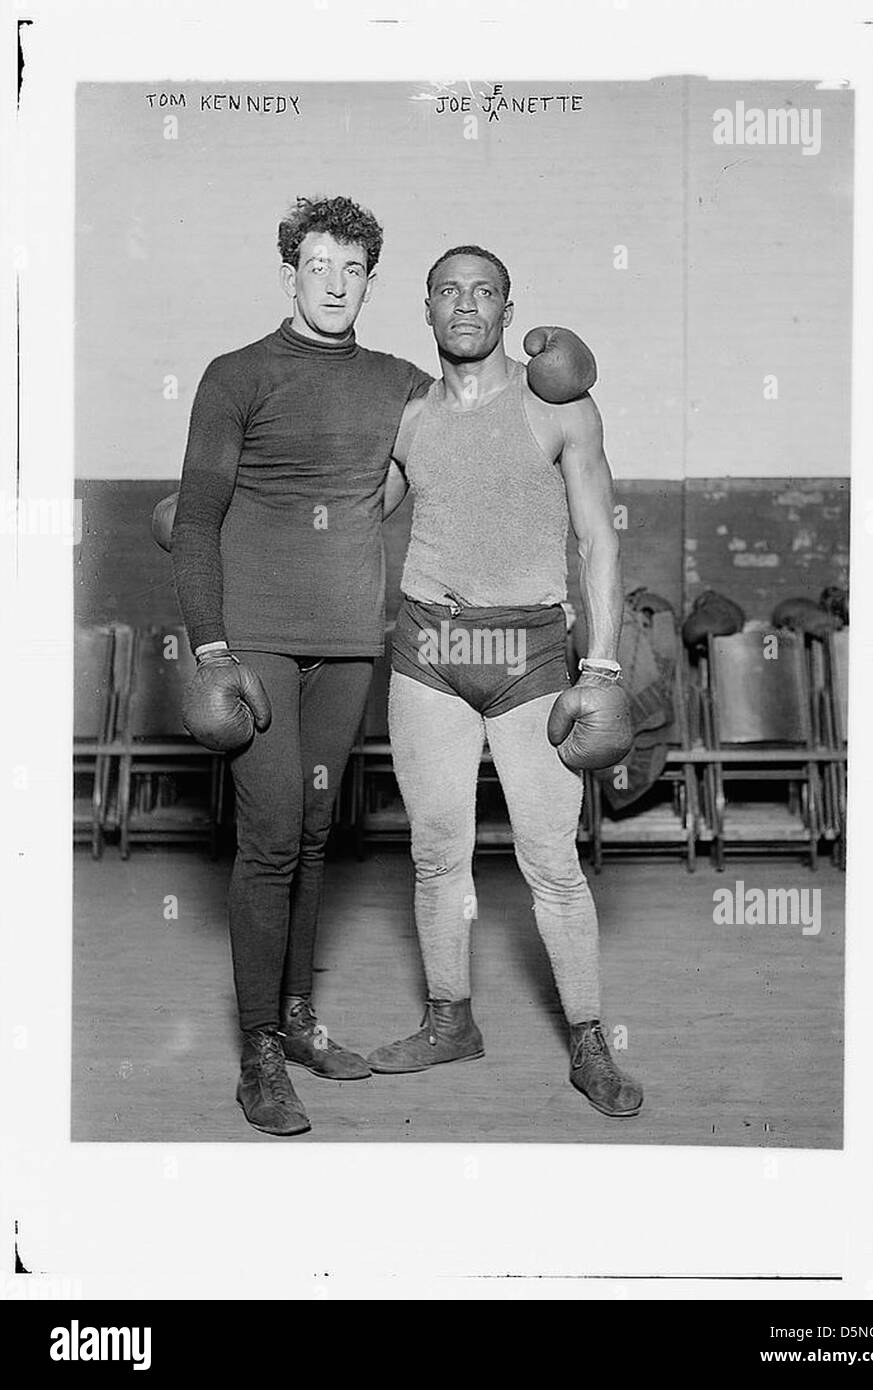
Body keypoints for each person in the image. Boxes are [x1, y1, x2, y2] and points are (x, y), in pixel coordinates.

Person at [166, 200, 597, 1136]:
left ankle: (296, 1017)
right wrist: (209, 646)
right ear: (289, 272)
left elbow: (487, 387)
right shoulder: (233, 375)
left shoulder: (400, 385)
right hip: (255, 641)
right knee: (272, 834)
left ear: (370, 281)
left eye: (351, 270)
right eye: (316, 266)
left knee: (316, 831)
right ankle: (257, 1054)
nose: (332, 284)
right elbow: (195, 518)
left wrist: (566, 363)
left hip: (355, 642)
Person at [367, 246, 644, 1118]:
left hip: (528, 657)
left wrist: (600, 667)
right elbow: (338, 513)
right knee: (435, 854)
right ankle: (450, 1019)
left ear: (507, 307)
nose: (465, 305)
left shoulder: (558, 406)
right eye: (448, 291)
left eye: (483, 292)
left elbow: (599, 539)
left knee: (552, 863)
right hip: (426, 648)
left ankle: (590, 1042)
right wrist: (227, 511)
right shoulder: (408, 419)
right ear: (425, 308)